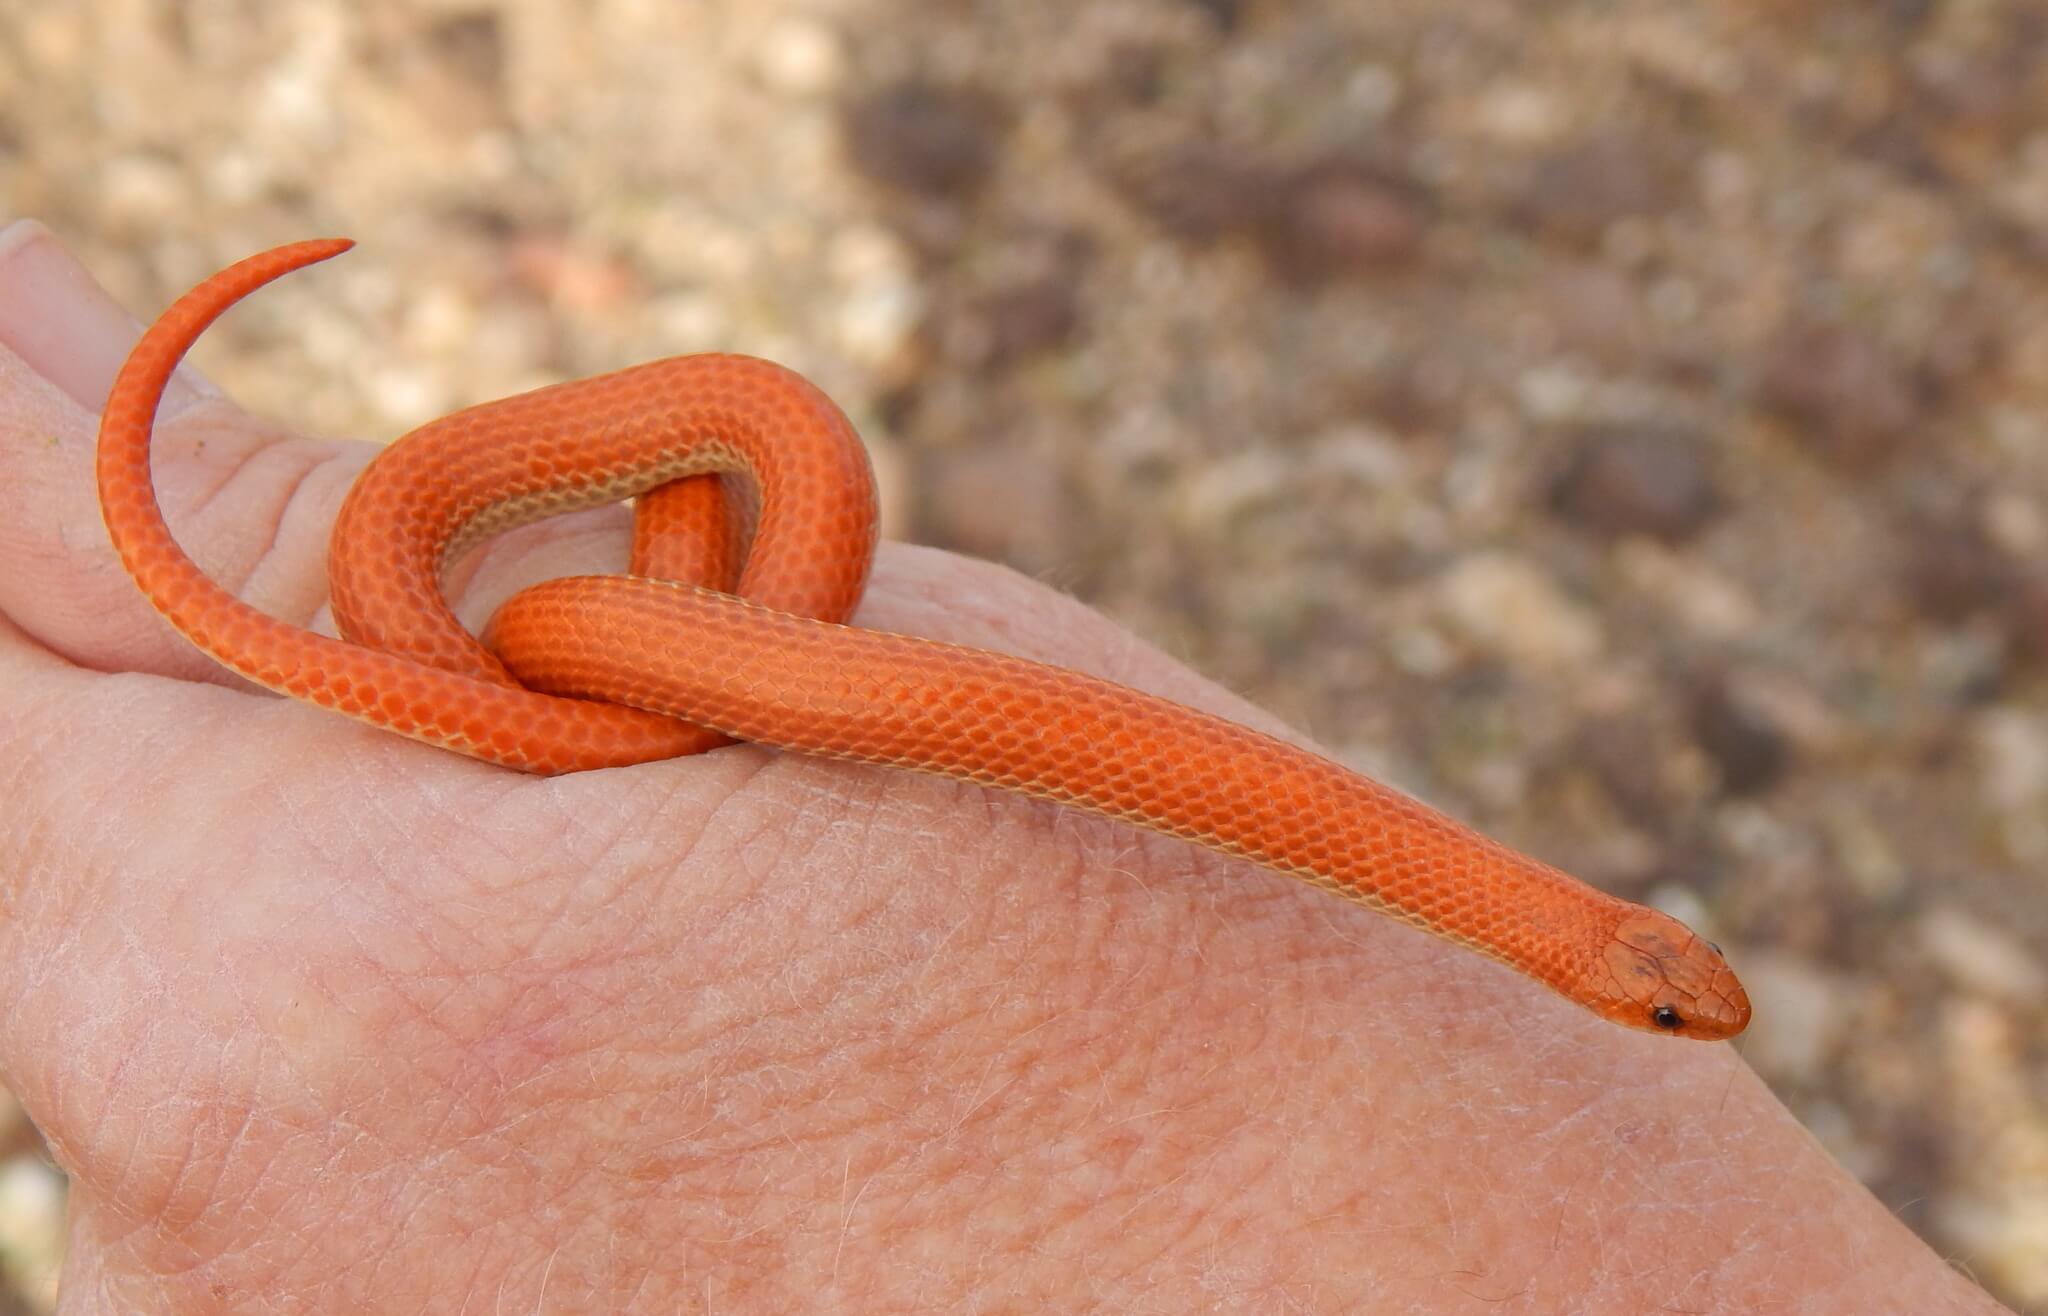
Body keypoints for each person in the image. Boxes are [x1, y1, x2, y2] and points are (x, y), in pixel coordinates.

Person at [0, 219, 2010, 1313]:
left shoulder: (1538, 936)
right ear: (1617, 949)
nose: (1684, 1017)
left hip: (667, 589)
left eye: (1659, 1009)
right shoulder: (690, 516)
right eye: (1660, 990)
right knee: (727, 461)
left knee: (711, 494)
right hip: (675, 551)